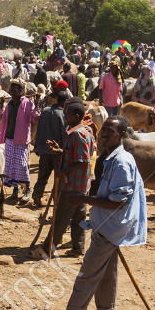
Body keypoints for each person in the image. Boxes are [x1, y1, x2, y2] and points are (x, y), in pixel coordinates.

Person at [33, 117, 148, 310]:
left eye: (110, 131)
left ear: (121, 134)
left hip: (111, 227)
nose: (104, 133)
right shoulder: (111, 157)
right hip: (108, 227)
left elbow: (119, 201)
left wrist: (82, 199)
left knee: (86, 278)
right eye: (103, 129)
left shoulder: (122, 161)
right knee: (107, 277)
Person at [43, 100, 95, 256]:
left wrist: (63, 172)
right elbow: (75, 155)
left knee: (61, 218)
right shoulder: (86, 131)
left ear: (77, 115)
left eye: (67, 115)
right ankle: (78, 247)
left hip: (71, 184)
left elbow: (82, 161)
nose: (65, 117)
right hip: (82, 185)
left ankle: (47, 248)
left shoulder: (77, 134)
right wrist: (60, 150)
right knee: (79, 217)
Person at [0, 82, 36, 204]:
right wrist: (1, 105)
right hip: (9, 138)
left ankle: (27, 189)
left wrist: (38, 104)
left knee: (22, 165)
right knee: (10, 165)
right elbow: (3, 117)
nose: (13, 93)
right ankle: (15, 189)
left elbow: (35, 117)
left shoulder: (27, 103)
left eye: (15, 91)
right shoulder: (9, 104)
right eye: (12, 91)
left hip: (21, 140)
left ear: (21, 92)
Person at [30, 88, 69, 206]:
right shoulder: (64, 115)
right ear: (65, 101)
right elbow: (65, 133)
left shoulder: (45, 111)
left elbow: (39, 130)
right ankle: (56, 200)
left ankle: (37, 195)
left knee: (42, 176)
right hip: (58, 152)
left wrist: (37, 146)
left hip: (45, 150)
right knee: (58, 178)